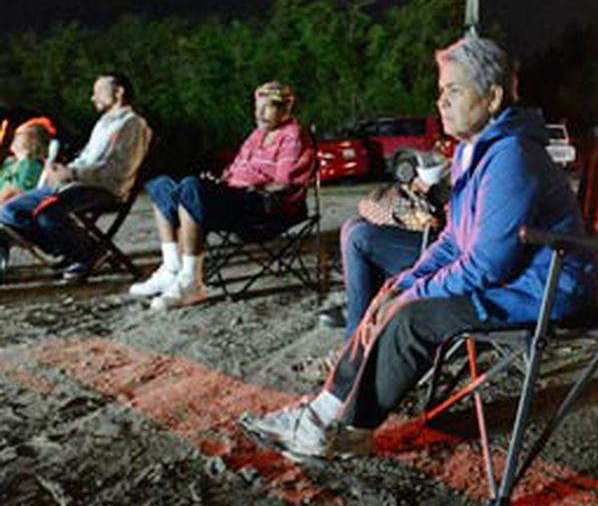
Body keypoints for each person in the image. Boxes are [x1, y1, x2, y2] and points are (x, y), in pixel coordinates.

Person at [240, 35, 595, 460]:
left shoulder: (512, 156)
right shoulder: (471, 152)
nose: (442, 102)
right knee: (391, 298)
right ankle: (323, 418)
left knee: (411, 317)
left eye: (455, 91)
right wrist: (405, 281)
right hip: (509, 279)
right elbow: (452, 240)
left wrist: (412, 295)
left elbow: (487, 264)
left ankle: (334, 428)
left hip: (543, 289)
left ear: (494, 96)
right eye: (442, 92)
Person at [128, 81, 314, 310]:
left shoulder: (292, 136)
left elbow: (285, 184)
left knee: (192, 187)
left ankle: (191, 282)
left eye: (269, 107)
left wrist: (244, 188)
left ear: (285, 109)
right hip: (237, 197)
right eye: (258, 106)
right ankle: (172, 267)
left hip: (264, 207)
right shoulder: (257, 135)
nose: (260, 112)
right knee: (160, 185)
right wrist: (221, 182)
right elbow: (235, 170)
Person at [0, 74, 151, 281]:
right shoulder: (104, 123)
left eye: (98, 91)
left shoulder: (132, 124)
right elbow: (89, 160)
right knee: (9, 210)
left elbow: (120, 170)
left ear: (119, 92)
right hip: (76, 183)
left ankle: (88, 252)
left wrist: (71, 173)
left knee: (47, 212)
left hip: (103, 188)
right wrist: (62, 171)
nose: (92, 97)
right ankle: (69, 250)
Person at [317, 149, 451, 340]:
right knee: (352, 226)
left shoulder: (490, 159)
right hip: (440, 237)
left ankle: (355, 337)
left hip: (447, 247)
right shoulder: (466, 154)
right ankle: (362, 307)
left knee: (360, 237)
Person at [0, 118, 54, 204]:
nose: (14, 137)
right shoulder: (10, 163)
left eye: (19, 135)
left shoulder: (32, 166)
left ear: (32, 141)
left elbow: (16, 195)